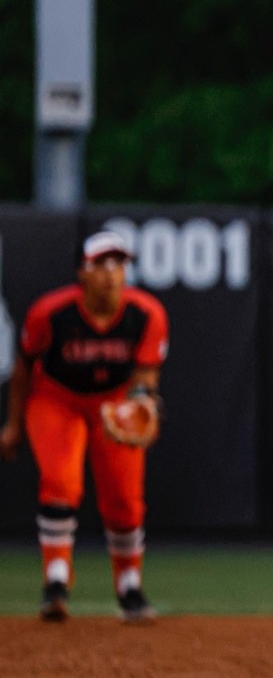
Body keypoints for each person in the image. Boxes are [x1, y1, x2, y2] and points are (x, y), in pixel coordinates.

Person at [0, 230, 167, 622]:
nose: (111, 274)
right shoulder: (51, 313)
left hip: (115, 400)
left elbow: (146, 374)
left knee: (125, 498)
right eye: (101, 264)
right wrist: (14, 424)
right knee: (60, 480)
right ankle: (55, 582)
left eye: (119, 263)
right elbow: (24, 366)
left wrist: (143, 404)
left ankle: (130, 586)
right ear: (82, 272)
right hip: (58, 398)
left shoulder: (147, 313)